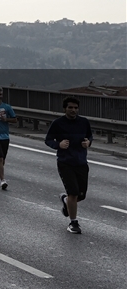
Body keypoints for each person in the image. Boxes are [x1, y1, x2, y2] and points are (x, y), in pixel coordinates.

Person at [45, 97, 92, 234]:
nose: (73, 110)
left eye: (75, 108)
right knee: (73, 192)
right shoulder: (58, 123)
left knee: (81, 195)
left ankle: (66, 201)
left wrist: (88, 143)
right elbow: (48, 139)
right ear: (65, 108)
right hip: (65, 162)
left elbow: (90, 136)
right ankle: (73, 223)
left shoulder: (84, 122)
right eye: (70, 107)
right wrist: (58, 145)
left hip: (81, 162)